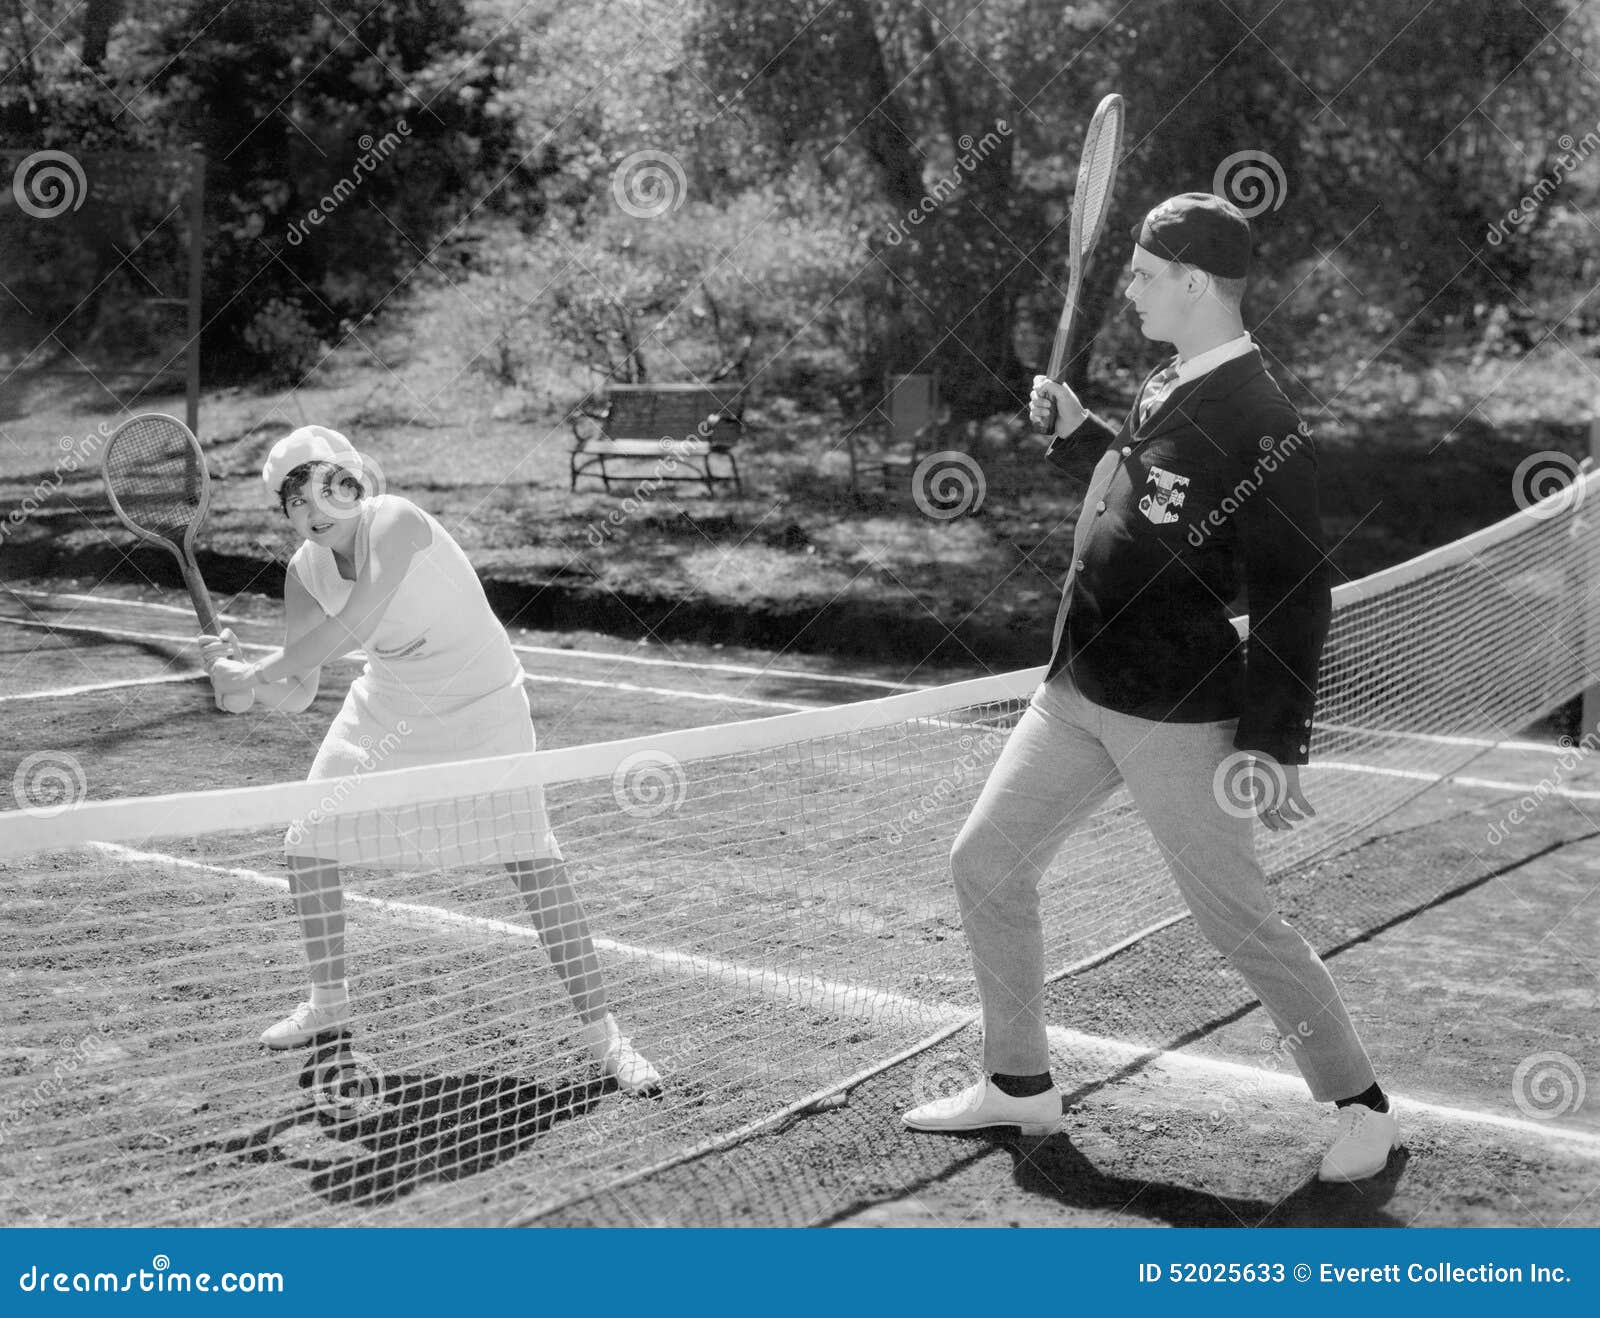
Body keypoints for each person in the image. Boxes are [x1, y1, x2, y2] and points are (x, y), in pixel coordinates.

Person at [901, 194, 1397, 1182]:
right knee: (986, 864)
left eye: (1141, 273)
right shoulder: (1166, 380)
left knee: (1233, 918)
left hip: (1175, 707)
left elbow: (1298, 593)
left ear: (1194, 283)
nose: (1126, 288)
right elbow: (1147, 494)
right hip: (1078, 681)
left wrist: (1270, 743)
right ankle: (1017, 1081)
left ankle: (1362, 1106)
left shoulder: (1262, 421)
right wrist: (1085, 429)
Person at [204, 425, 660, 1096]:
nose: (311, 510)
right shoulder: (304, 571)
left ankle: (606, 1038)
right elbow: (298, 692)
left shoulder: (396, 520)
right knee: (308, 840)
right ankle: (329, 1002)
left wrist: (258, 669)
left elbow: (354, 626)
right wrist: (239, 686)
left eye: (325, 488)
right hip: (389, 704)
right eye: (293, 501)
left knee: (532, 860)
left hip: (482, 700)